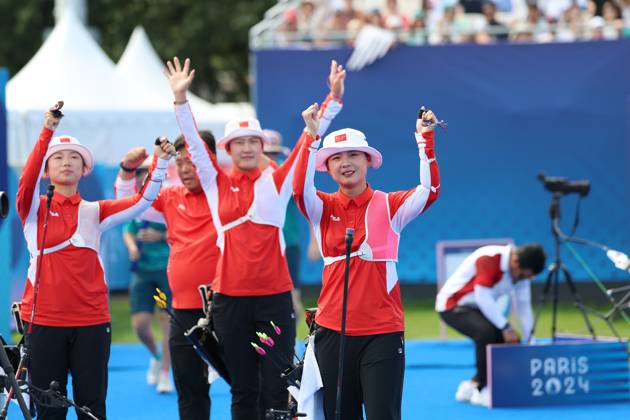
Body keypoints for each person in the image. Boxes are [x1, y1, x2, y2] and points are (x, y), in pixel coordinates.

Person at [165, 57, 344, 419]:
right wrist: (181, 100)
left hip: (274, 301)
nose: (247, 148)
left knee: (277, 385)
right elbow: (197, 147)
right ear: (228, 150)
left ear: (262, 146)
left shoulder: (276, 183)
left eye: (253, 141)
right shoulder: (216, 182)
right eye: (239, 143)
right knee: (243, 388)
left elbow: (307, 138)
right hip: (230, 303)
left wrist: (333, 98)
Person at [16, 102, 172, 420]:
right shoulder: (33, 210)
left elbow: (144, 200)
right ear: (47, 169)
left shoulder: (96, 211)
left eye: (75, 158)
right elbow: (28, 182)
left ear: (86, 169)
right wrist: (48, 130)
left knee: (92, 407)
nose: (67, 163)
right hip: (44, 321)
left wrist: (161, 162)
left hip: (92, 322)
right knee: (49, 409)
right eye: (58, 158)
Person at [294, 91, 441, 418]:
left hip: (383, 333)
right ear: (327, 167)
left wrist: (425, 142)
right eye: (336, 158)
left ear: (367, 160)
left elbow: (428, 191)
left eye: (353, 155)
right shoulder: (321, 206)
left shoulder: (390, 206)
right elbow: (297, 188)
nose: (345, 163)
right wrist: (311, 137)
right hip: (332, 332)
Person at [115, 131, 219, 420]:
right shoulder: (172, 197)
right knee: (189, 392)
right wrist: (127, 172)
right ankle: (160, 365)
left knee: (247, 390)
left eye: (193, 161)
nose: (185, 169)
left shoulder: (227, 193)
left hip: (228, 307)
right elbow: (130, 205)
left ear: (210, 160)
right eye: (180, 162)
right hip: (184, 310)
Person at [435, 243, 546, 407]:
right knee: (485, 333)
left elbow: (524, 307)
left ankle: (470, 386)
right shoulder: (489, 258)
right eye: (522, 275)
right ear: (515, 261)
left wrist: (531, 341)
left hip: (477, 309)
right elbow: (482, 297)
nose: (522, 280)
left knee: (506, 340)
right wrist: (506, 327)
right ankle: (483, 389)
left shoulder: (522, 274)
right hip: (452, 305)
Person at [121, 159, 173, 394]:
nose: (144, 177)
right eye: (141, 173)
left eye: (148, 173)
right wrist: (132, 246)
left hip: (166, 269)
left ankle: (164, 373)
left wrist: (160, 236)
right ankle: (157, 355)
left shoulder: (169, 199)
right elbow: (128, 231)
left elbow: (182, 231)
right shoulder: (136, 204)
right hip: (141, 271)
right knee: (140, 325)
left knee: (167, 323)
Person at [261, 129, 305, 323]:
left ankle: (292, 340)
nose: (271, 158)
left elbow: (306, 204)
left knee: (290, 295)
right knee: (288, 294)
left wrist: (314, 240)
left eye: (273, 153)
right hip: (272, 243)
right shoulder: (284, 173)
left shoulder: (283, 173)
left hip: (285, 241)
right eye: (268, 153)